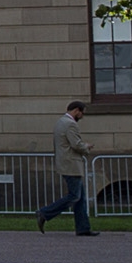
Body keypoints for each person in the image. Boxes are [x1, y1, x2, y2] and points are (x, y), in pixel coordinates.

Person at [36, 100, 99, 236]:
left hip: (65, 163)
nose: (82, 116)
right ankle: (45, 212)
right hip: (71, 164)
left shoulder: (60, 122)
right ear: (76, 110)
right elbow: (76, 144)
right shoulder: (70, 124)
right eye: (82, 113)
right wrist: (86, 147)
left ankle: (83, 228)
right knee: (74, 196)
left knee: (80, 198)